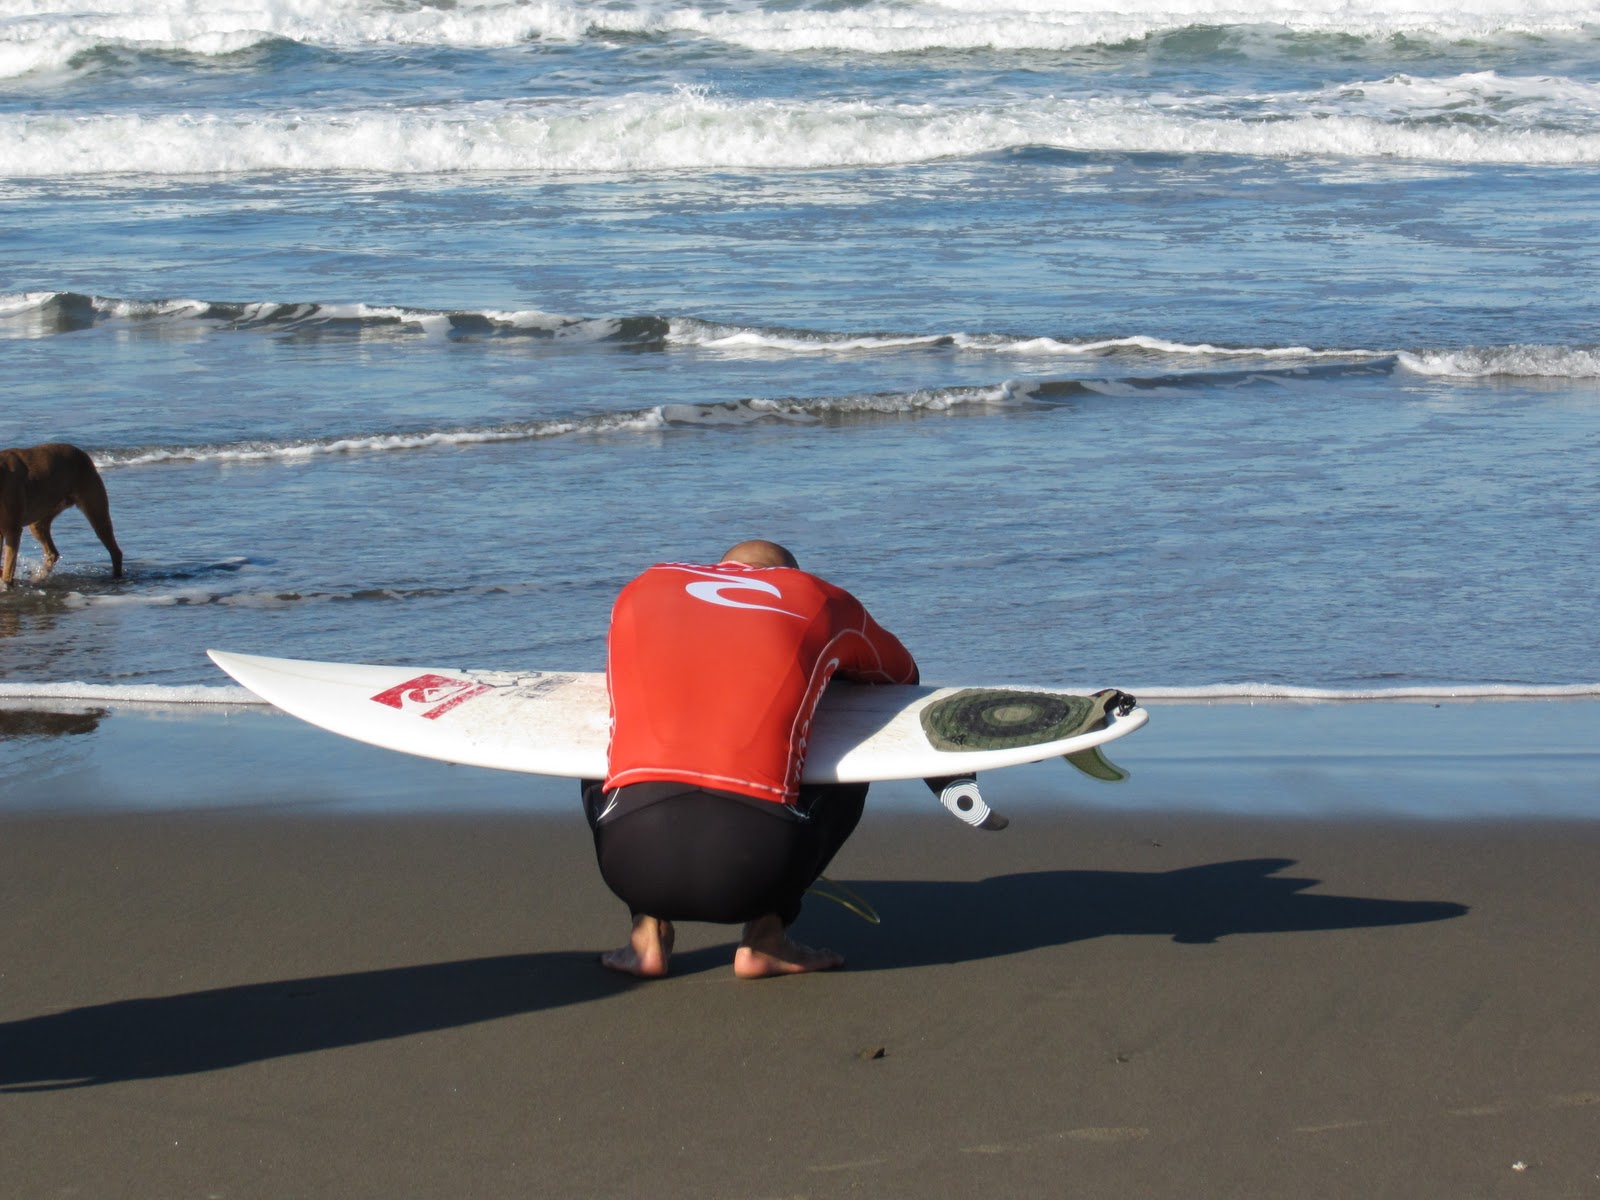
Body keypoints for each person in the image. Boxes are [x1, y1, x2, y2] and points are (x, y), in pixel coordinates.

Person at [582, 539, 919, 979]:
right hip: (755, 869)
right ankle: (766, 937)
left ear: (717, 567)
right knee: (848, 751)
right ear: (791, 576)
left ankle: (646, 936)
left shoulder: (644, 587)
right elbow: (900, 675)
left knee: (608, 747)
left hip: (630, 862)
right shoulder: (818, 597)